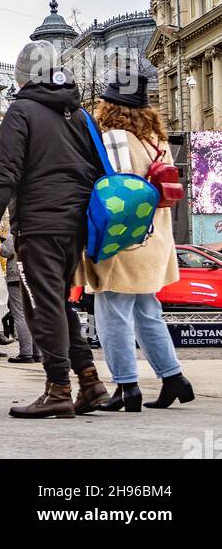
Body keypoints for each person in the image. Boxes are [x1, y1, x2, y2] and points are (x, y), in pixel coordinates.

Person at [0, 40, 108, 418]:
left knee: (40, 306)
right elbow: (97, 170)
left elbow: (4, 173)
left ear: (23, 76)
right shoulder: (80, 115)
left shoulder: (22, 112)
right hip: (76, 225)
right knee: (58, 303)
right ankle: (89, 380)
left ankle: (58, 389)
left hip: (38, 224)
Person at [82, 69, 194, 413]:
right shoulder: (156, 140)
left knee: (111, 313)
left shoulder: (116, 136)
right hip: (156, 238)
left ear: (112, 106)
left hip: (124, 239)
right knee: (148, 312)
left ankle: (126, 387)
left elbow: (114, 187)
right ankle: (174, 378)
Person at [1, 232, 39, 364]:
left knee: (20, 314)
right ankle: (37, 352)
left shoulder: (17, 228)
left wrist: (0, 245)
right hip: (35, 275)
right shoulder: (38, 227)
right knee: (33, 314)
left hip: (17, 275)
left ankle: (26, 353)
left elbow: (7, 251)